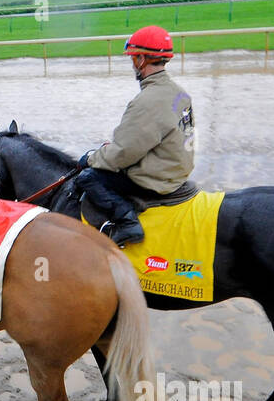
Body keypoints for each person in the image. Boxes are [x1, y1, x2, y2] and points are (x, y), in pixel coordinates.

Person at [75, 24, 195, 247]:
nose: (132, 63)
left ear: (141, 59)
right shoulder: (180, 93)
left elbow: (121, 154)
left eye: (132, 58)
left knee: (87, 178)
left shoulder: (147, 101)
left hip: (157, 180)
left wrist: (91, 158)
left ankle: (127, 223)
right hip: (178, 172)